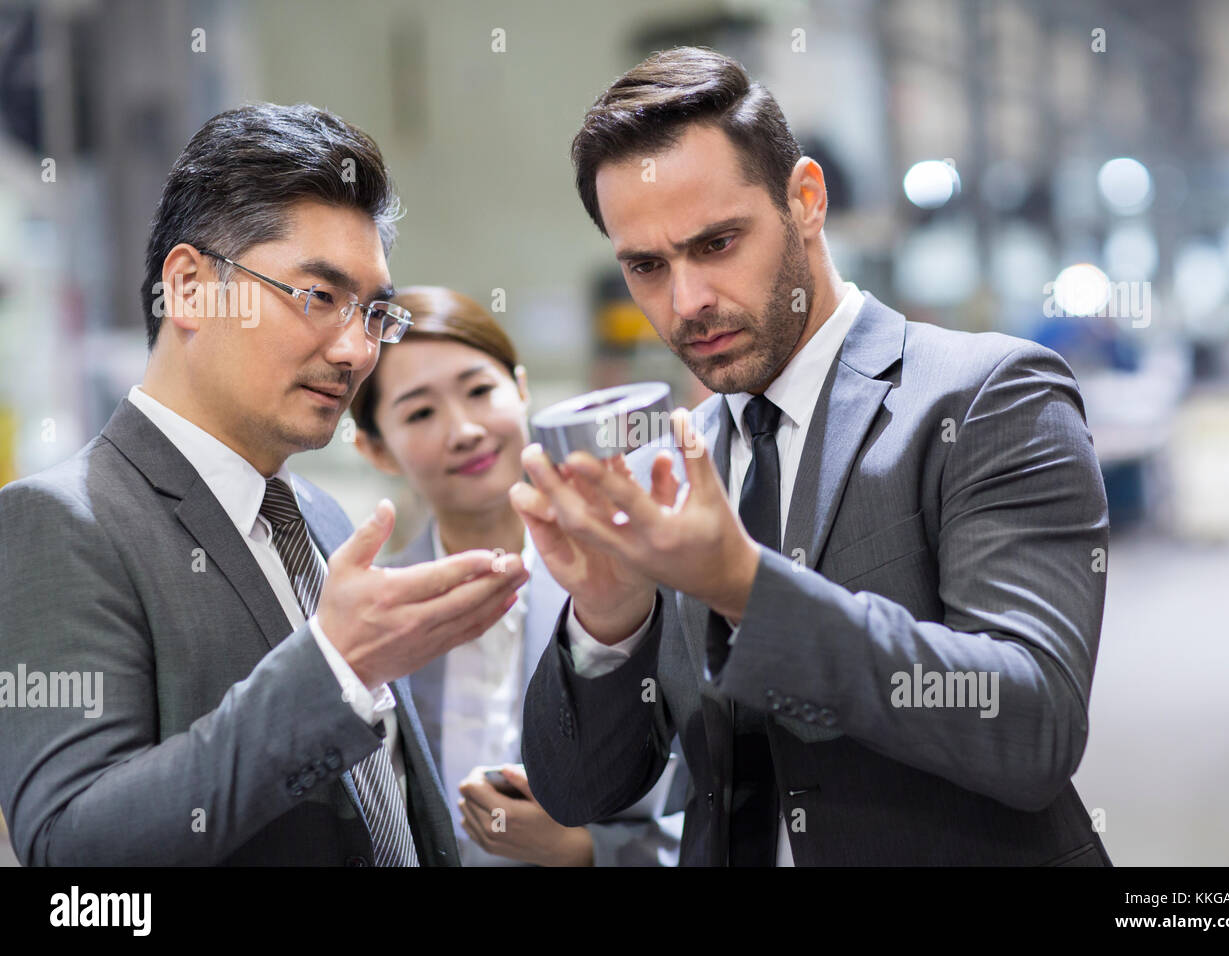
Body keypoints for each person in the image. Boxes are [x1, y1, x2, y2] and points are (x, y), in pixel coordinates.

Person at [514, 47, 1113, 866]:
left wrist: (744, 587)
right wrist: (609, 620)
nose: (686, 303)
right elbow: (584, 793)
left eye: (718, 243)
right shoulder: (691, 457)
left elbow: (1033, 724)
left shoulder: (985, 396)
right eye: (647, 267)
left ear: (805, 199)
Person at [0, 103, 528, 865]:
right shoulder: (65, 522)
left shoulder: (320, 518)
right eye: (316, 297)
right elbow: (74, 853)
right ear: (187, 287)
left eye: (373, 311)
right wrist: (332, 668)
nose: (354, 351)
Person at [350, 286, 683, 866]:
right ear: (376, 450)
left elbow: (709, 801)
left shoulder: (625, 572)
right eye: (421, 412)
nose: (465, 430)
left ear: (523, 390)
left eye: (480, 391)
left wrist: (584, 850)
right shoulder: (381, 611)